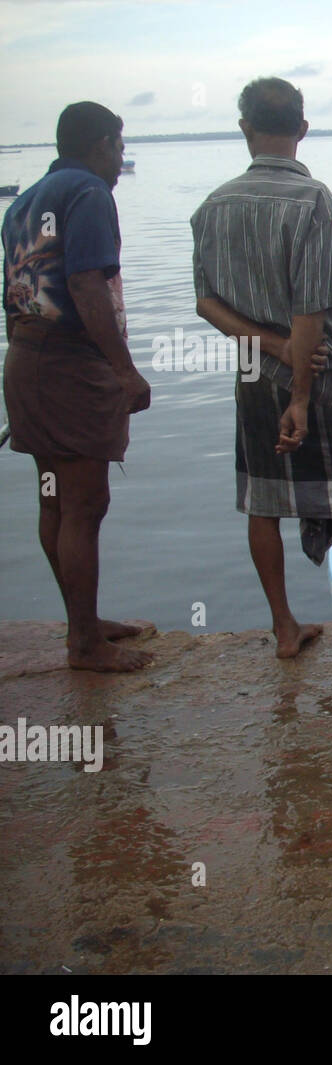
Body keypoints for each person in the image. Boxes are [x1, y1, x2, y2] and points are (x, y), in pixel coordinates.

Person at [191, 77, 332, 661]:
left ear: (245, 129)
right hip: (314, 379)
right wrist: (300, 392)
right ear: (302, 130)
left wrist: (264, 347)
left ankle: (285, 628)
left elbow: (205, 302)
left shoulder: (212, 207)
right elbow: (311, 308)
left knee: (262, 499)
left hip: (252, 376)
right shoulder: (313, 201)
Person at [2, 101, 153, 672]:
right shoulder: (89, 194)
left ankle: (82, 624)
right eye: (118, 145)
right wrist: (123, 369)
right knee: (85, 503)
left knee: (53, 498)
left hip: (25, 361)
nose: (120, 158)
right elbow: (87, 284)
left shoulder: (22, 202)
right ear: (98, 145)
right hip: (69, 368)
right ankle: (85, 644)